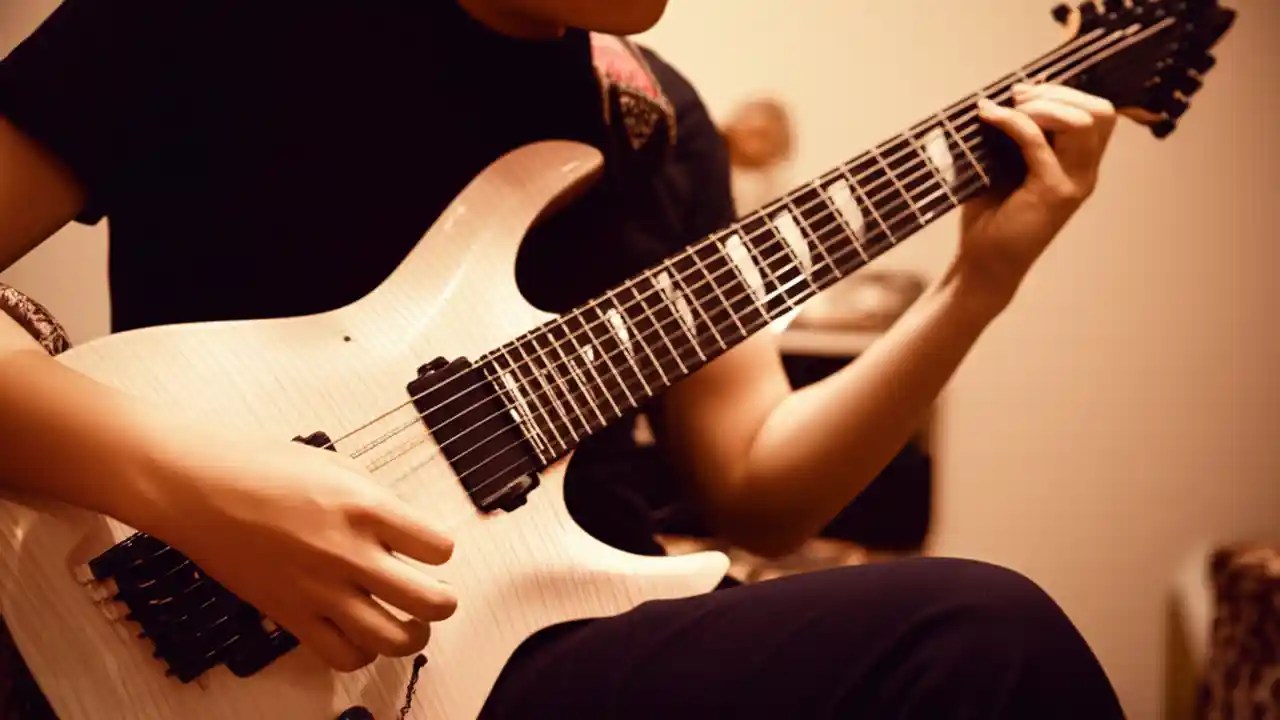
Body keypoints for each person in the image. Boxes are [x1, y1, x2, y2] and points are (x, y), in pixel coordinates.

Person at [0, 0, 1128, 717]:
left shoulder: (652, 116)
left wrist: (977, 281)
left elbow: (758, 489)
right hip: (229, 653)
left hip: (557, 642)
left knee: (977, 647)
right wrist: (198, 492)